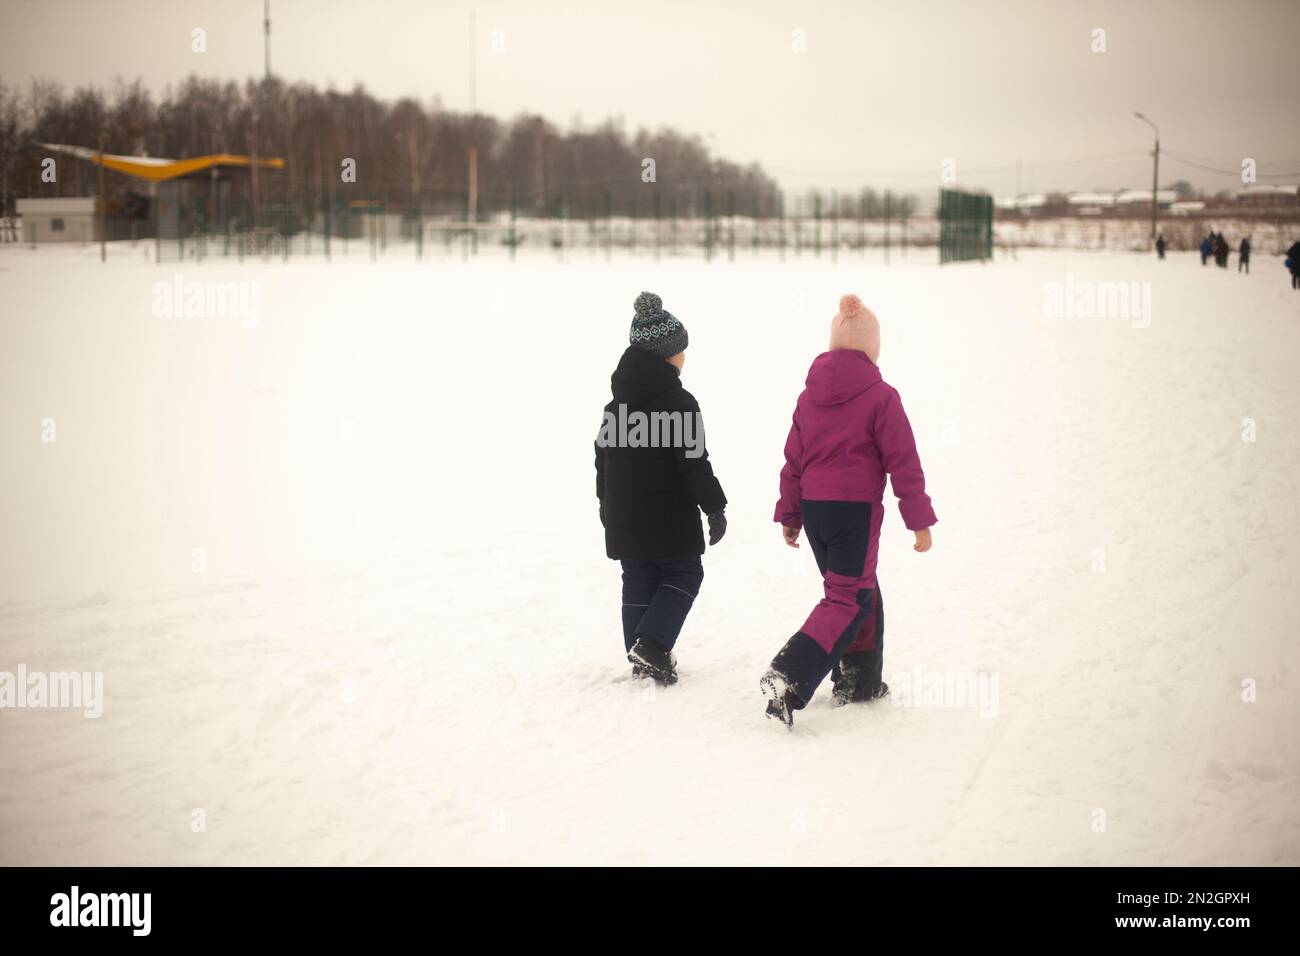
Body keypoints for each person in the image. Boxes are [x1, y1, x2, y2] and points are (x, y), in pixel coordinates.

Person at [761, 294, 936, 729]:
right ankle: (790, 674)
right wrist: (919, 519)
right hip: (852, 514)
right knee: (848, 598)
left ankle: (859, 681)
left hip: (818, 513)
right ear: (871, 350)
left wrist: (791, 513)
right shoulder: (881, 397)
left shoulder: (809, 397)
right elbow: (904, 461)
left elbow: (794, 460)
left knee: (862, 592)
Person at [594, 291, 727, 685]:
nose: (684, 357)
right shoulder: (680, 404)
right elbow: (693, 463)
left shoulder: (615, 407)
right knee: (684, 574)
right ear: (667, 355)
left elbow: (602, 458)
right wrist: (714, 507)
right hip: (668, 516)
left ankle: (641, 656)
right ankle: (651, 644)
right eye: (680, 351)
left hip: (624, 515)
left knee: (637, 575)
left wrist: (606, 504)